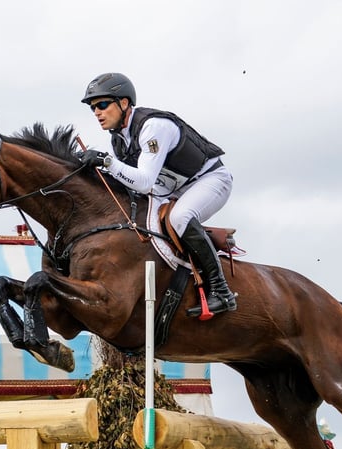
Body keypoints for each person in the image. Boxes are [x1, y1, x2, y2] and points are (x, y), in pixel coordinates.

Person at [78, 72, 237, 318]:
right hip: (171, 189)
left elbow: (143, 182)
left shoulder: (153, 127)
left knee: (180, 218)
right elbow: (131, 183)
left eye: (102, 104)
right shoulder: (119, 140)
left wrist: (106, 162)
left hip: (209, 179)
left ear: (124, 103)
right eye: (93, 108)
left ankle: (221, 290)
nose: (97, 112)